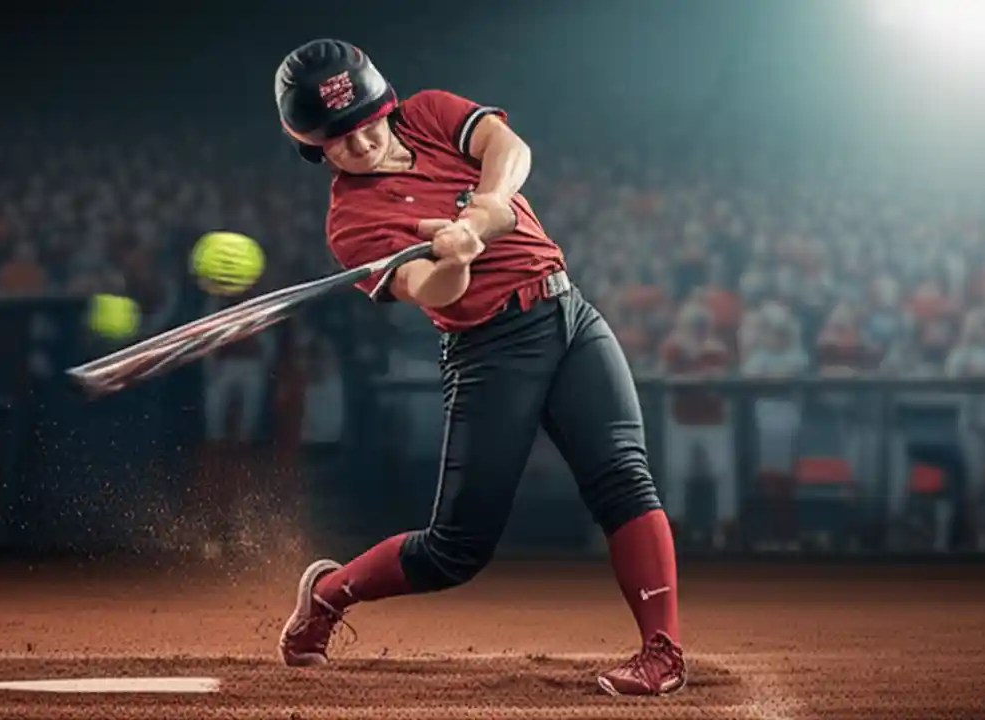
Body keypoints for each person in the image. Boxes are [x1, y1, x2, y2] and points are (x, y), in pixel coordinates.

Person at [272, 39, 685, 696]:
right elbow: (428, 290)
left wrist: (487, 208)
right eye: (340, 139)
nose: (362, 142)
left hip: (567, 310)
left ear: (386, 103)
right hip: (491, 348)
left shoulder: (431, 113)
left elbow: (509, 149)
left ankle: (662, 652)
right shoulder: (352, 221)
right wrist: (457, 255)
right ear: (314, 148)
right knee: (454, 550)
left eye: (369, 121)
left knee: (624, 478)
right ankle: (327, 594)